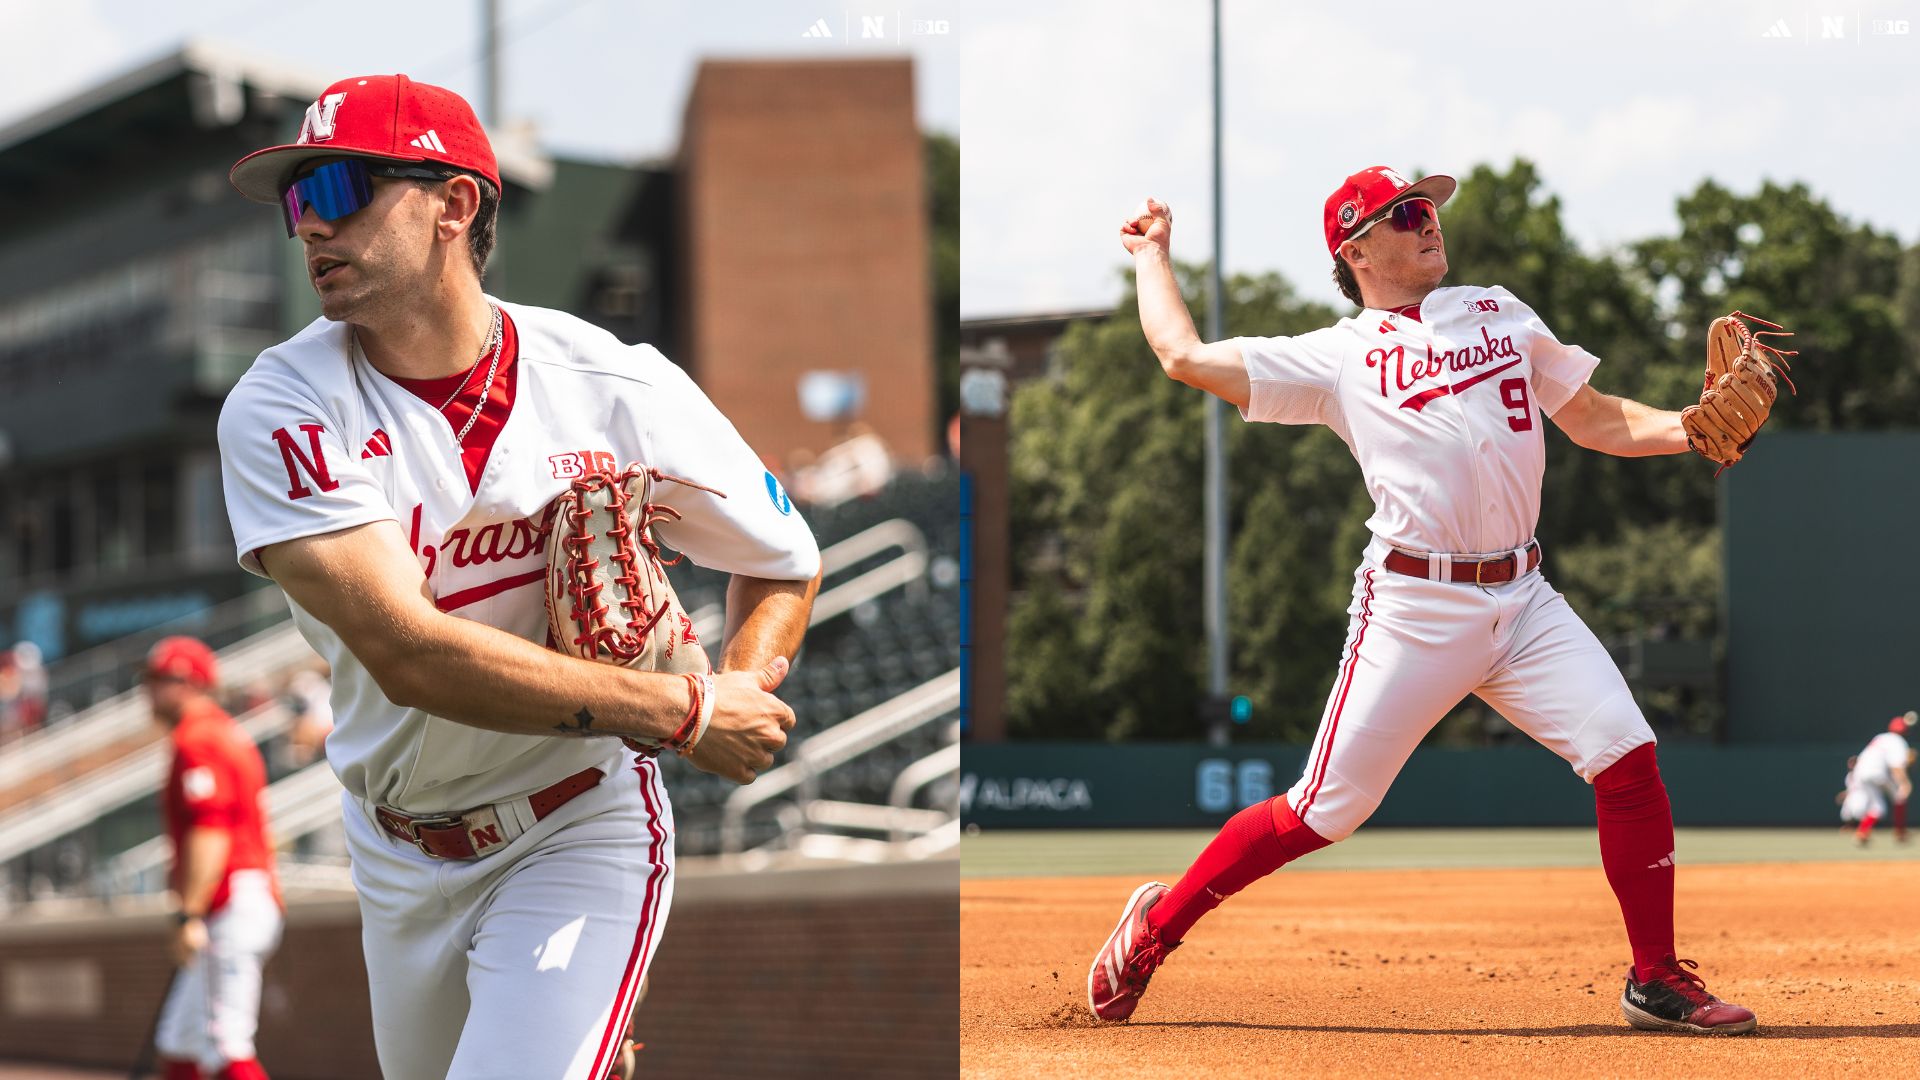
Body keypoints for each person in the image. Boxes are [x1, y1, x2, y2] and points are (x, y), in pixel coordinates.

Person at [218, 74, 821, 1079]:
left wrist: (741, 691)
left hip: (579, 821)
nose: (308, 228)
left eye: (338, 192)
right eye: (297, 199)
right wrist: (680, 709)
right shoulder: (283, 405)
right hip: (396, 849)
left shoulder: (614, 386)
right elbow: (410, 655)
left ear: (453, 203)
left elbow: (783, 560)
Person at [1090, 168, 1758, 1035]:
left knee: (1627, 757)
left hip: (1521, 599)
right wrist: (1152, 256)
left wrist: (1688, 425)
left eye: (1429, 208)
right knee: (1324, 809)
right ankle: (1153, 930)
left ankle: (1655, 977)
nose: (1428, 221)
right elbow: (1182, 357)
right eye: (1405, 214)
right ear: (1356, 249)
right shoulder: (1340, 356)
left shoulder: (1500, 312)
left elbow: (1592, 418)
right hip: (1413, 606)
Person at [145, 637, 282, 1080]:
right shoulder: (225, 730)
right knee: (178, 1040)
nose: (146, 691)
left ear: (188, 683)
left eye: (157, 680)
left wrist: (188, 914)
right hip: (244, 895)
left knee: (226, 1043)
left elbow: (211, 830)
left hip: (228, 902)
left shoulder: (198, 738)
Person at [1840, 714, 1914, 846]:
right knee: (1901, 794)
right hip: (1877, 773)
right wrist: (1905, 782)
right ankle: (1900, 832)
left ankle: (1862, 831)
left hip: (1860, 773)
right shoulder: (1898, 741)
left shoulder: (1880, 737)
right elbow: (1896, 766)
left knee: (1878, 808)